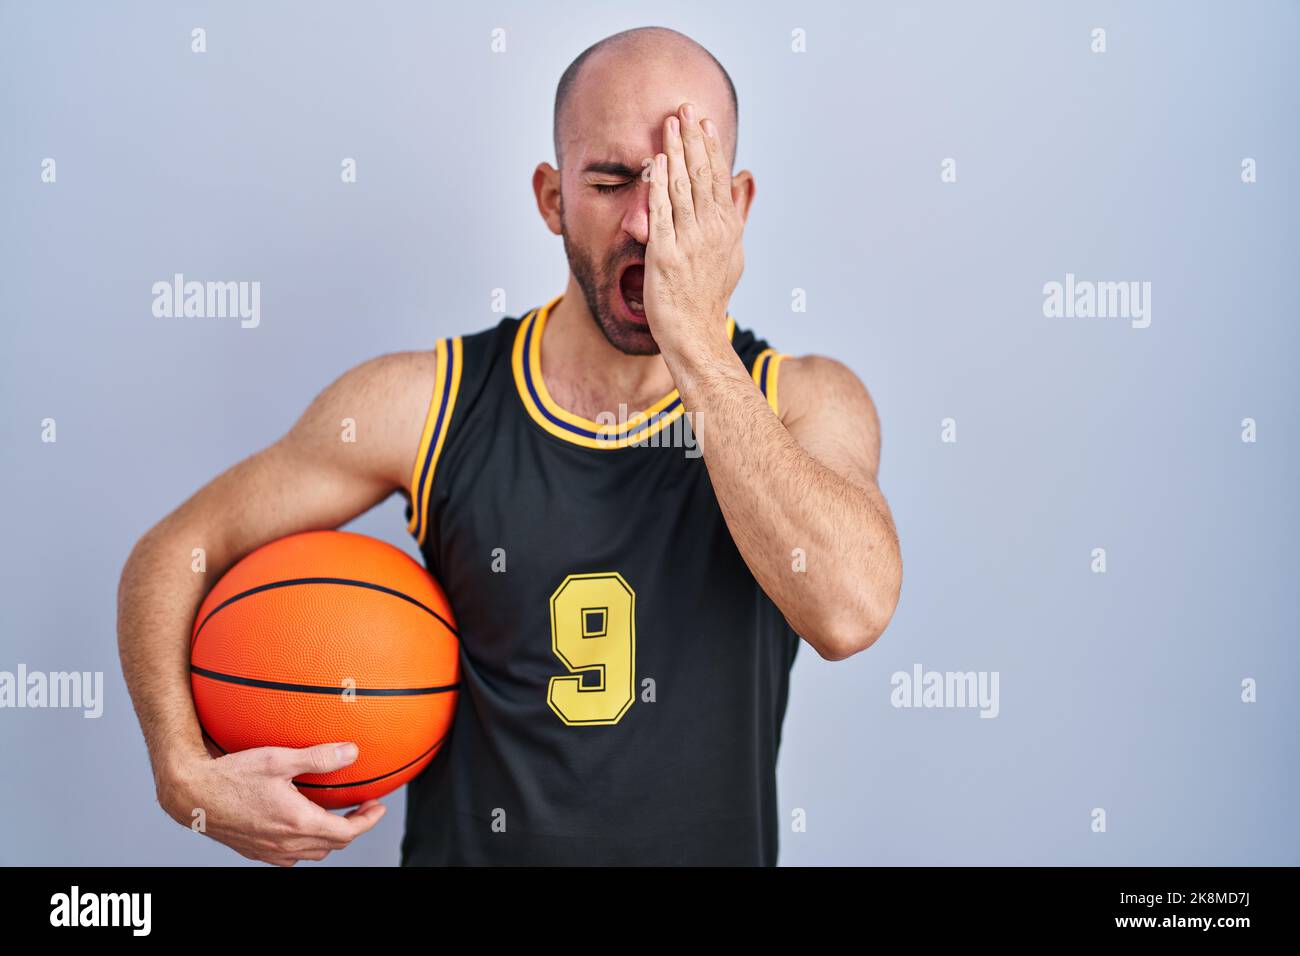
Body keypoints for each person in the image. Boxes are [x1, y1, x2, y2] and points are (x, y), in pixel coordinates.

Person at [117, 26, 902, 866]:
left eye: (683, 188)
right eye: (609, 181)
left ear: (736, 208)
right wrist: (181, 769)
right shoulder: (428, 401)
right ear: (552, 198)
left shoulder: (805, 401)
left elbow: (850, 611)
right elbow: (175, 549)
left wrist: (698, 347)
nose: (646, 222)